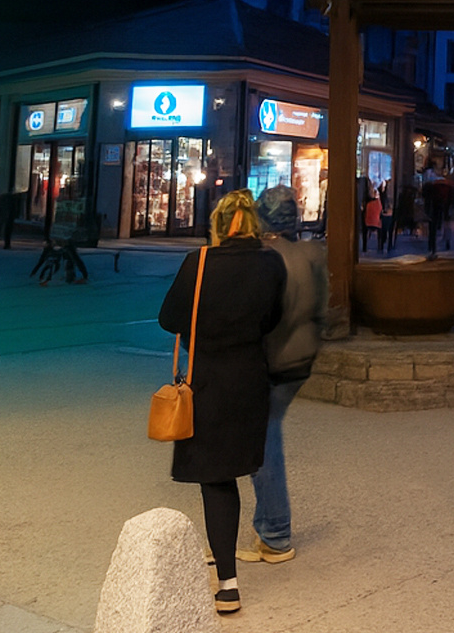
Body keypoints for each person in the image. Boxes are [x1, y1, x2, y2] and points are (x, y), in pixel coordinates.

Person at [157, 190, 286, 616]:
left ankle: (227, 583)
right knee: (241, 464)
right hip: (251, 381)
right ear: (252, 224)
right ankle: (240, 557)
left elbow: (169, 319)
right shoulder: (271, 263)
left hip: (208, 382)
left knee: (216, 480)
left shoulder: (198, 262)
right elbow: (274, 319)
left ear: (219, 224)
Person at [237, 188, 330, 565]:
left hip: (273, 361)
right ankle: (267, 526)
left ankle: (275, 533)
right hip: (302, 357)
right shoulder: (311, 253)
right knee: (267, 435)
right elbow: (321, 308)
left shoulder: (266, 258)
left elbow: (264, 317)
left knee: (264, 444)